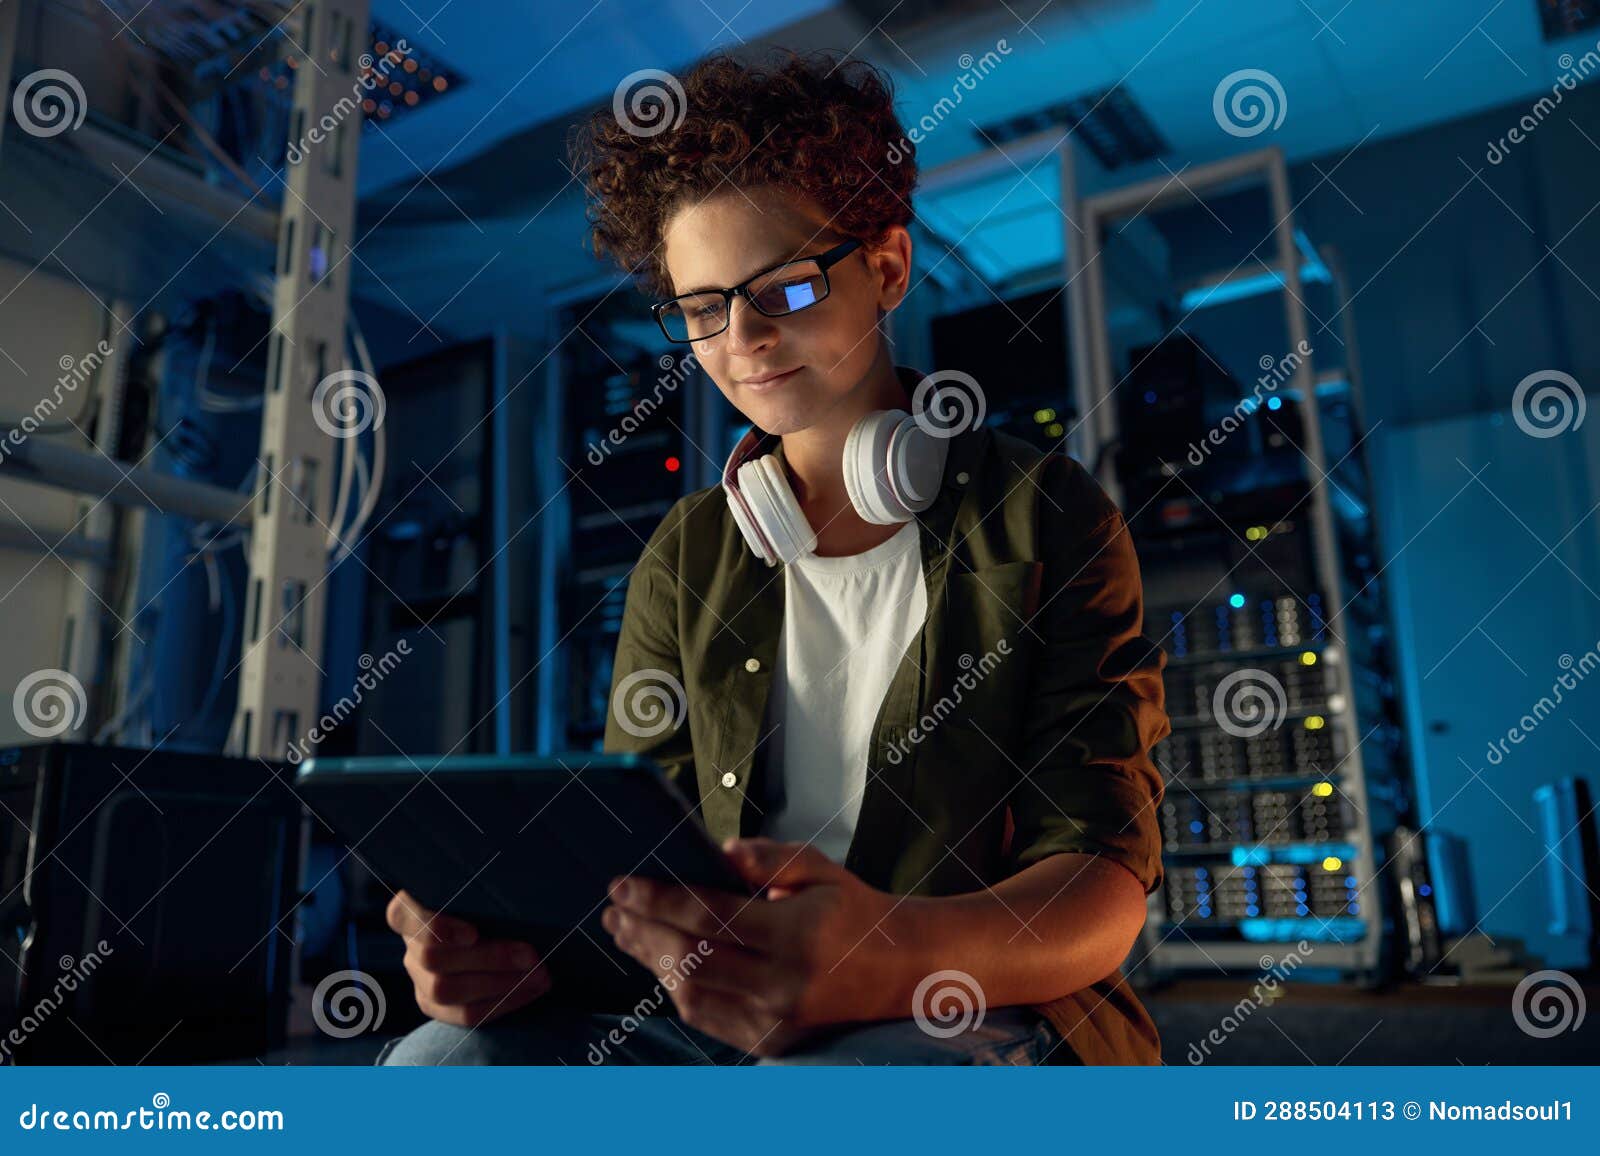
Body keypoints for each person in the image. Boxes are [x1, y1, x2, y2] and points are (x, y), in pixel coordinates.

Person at [380, 47, 1169, 1067]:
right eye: (702, 308)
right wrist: (519, 952)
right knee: (437, 1063)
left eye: (783, 289)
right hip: (713, 1003)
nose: (741, 338)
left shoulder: (1047, 516)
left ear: (884, 268)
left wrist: (882, 956)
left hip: (954, 1000)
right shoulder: (686, 553)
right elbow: (636, 852)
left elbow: (1100, 886)